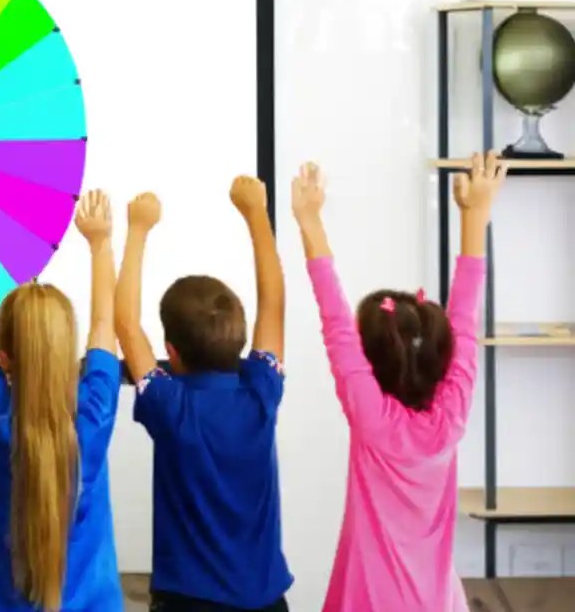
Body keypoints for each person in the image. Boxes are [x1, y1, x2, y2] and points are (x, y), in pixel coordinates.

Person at [295, 154, 503, 612]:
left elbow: (336, 322)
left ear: (368, 364)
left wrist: (308, 219)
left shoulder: (372, 419)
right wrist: (475, 215)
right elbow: (465, 321)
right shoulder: (453, 416)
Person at [0, 186, 122, 612]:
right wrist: (101, 243)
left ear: (3, 358)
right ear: (68, 348)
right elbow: (105, 321)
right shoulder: (96, 410)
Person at [115, 177, 292, 612]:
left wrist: (137, 229)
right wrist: (257, 215)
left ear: (170, 352)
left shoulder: (172, 406)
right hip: (266, 601)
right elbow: (275, 303)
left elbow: (123, 322)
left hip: (188, 603)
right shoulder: (260, 393)